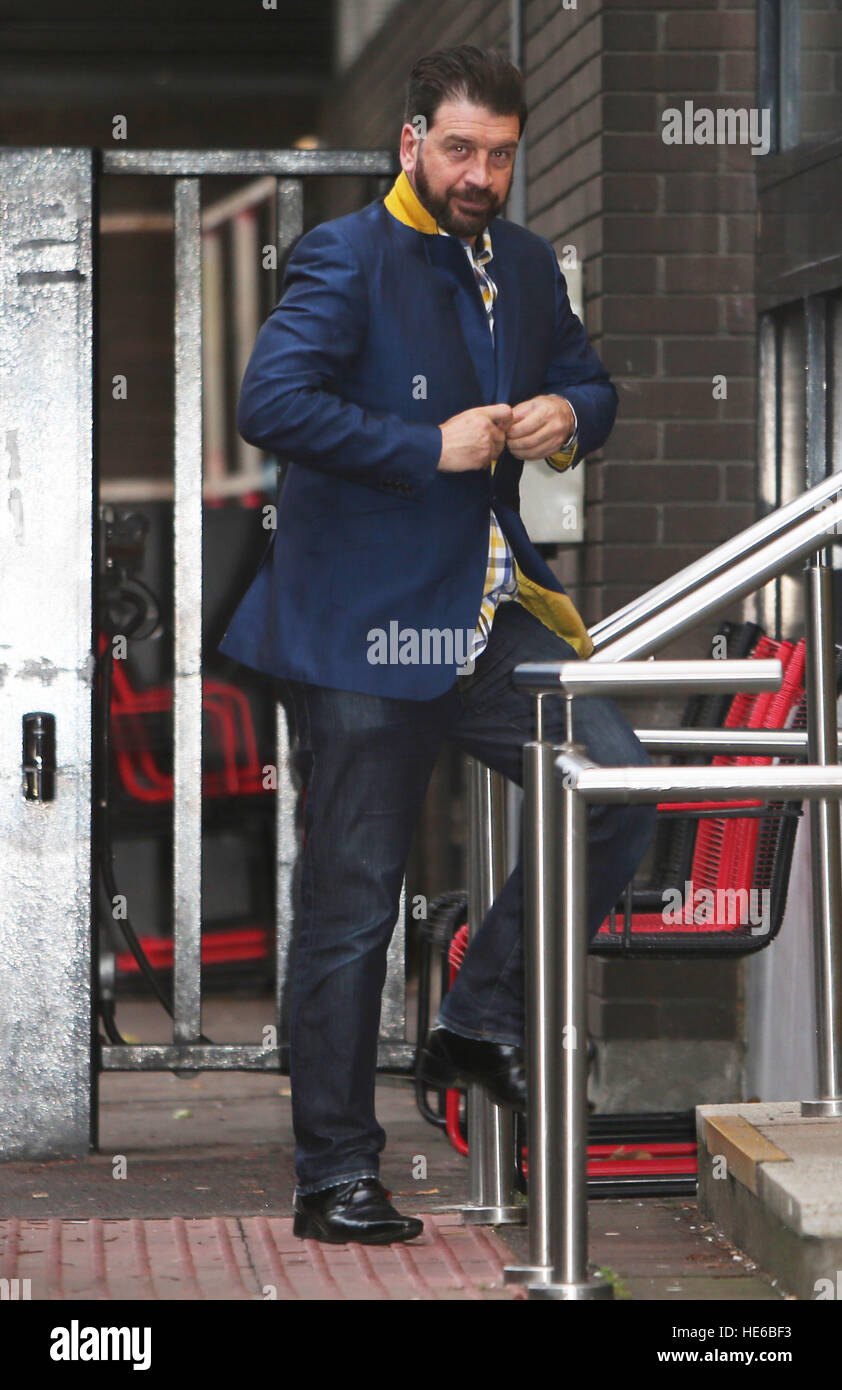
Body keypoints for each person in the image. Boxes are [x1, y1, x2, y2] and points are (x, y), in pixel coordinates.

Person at [218, 44, 656, 1246]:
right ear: (410, 141)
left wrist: (569, 415)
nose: (479, 174)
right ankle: (334, 1175)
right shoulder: (342, 255)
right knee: (353, 905)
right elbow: (269, 403)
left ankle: (476, 1013)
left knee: (615, 782)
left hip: (487, 615)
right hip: (361, 630)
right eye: (458, 148)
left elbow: (592, 385)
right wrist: (428, 446)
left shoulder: (525, 263)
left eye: (499, 155)